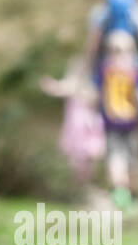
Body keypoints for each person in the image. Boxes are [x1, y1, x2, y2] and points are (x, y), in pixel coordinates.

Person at [95, 29, 138, 211]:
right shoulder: (135, 72)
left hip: (113, 122)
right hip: (129, 123)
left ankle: (122, 193)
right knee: (130, 161)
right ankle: (128, 196)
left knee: (119, 159)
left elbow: (95, 96)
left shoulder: (103, 71)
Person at [39, 56, 105, 185]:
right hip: (77, 128)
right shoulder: (73, 85)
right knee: (79, 158)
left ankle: (85, 183)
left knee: (87, 157)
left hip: (87, 127)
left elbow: (94, 98)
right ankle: (80, 183)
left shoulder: (87, 86)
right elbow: (58, 89)